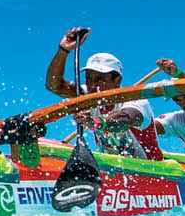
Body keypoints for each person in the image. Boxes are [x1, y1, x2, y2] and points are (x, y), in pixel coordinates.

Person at [43, 26, 162, 159]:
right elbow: (54, 86)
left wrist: (96, 123)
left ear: (117, 80)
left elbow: (125, 119)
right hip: (114, 169)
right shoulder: (87, 95)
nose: (93, 85)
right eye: (88, 78)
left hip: (151, 171)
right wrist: (63, 50)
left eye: (100, 78)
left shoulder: (135, 100)